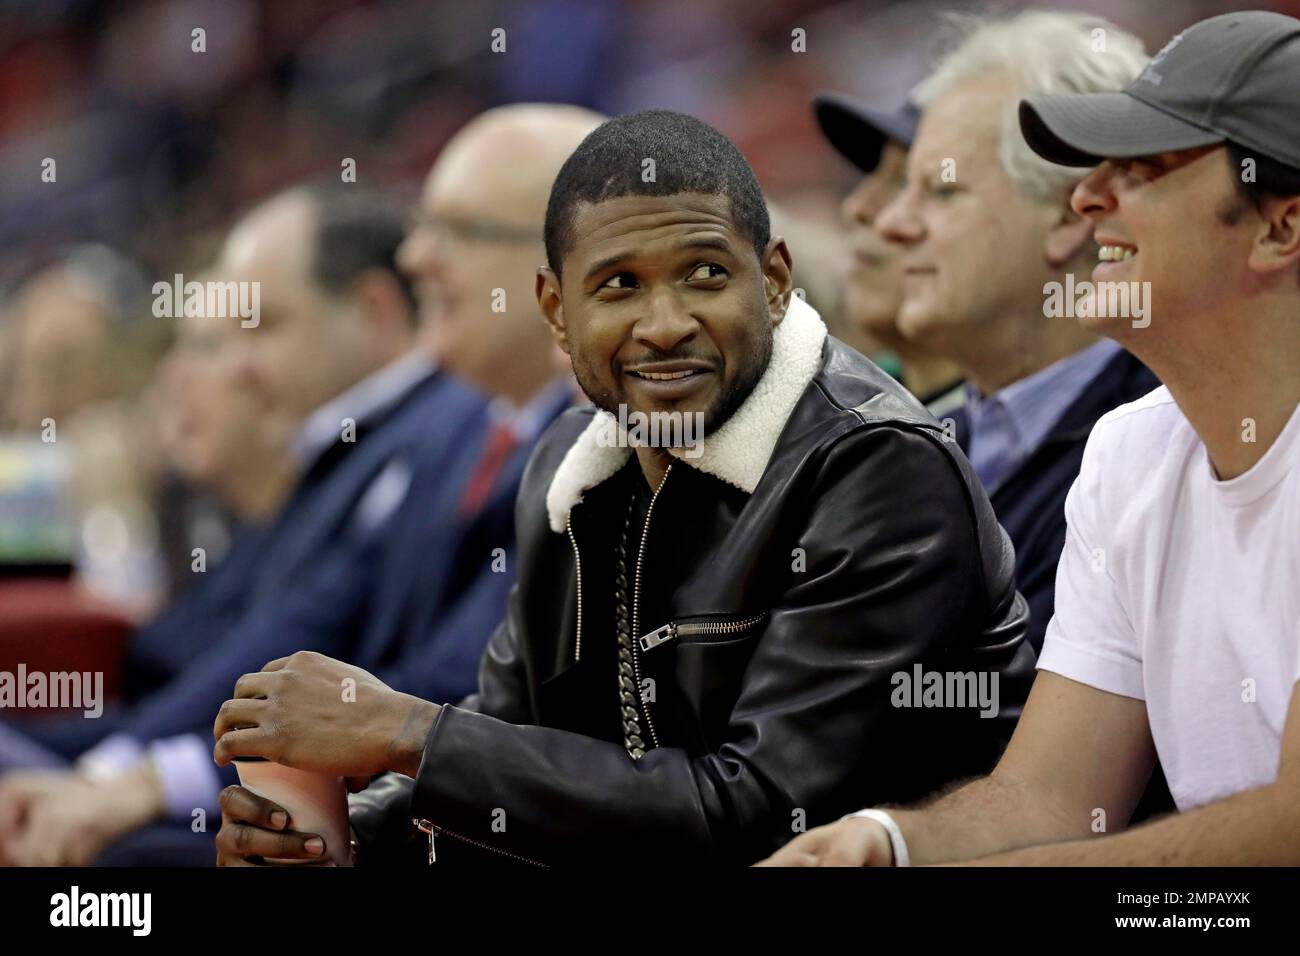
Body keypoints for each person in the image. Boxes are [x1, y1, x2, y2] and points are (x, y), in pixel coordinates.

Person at [212, 109, 1035, 868]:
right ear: (556, 311)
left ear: (775, 281)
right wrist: (344, 844)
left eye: (706, 273)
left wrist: (409, 733)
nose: (665, 322)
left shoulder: (877, 465)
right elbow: (521, 752)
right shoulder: (570, 468)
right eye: (619, 286)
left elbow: (762, 815)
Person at [759, 10, 1300, 867]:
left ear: (1281, 226)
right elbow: (1048, 796)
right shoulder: (1129, 453)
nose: (1088, 200)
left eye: (1146, 168)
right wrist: (886, 845)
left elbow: (1290, 826)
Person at [0, 184, 487, 866]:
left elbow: (356, 666)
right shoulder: (372, 454)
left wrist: (120, 780)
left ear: (375, 312)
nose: (239, 368)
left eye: (258, 328)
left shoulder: (437, 438)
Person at [872, 10, 1155, 655]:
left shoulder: (1171, 443)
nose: (891, 223)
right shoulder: (916, 445)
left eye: (940, 193)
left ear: (1068, 212)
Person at [813, 94, 963, 415]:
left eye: (908, 180)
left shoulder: (1088, 434)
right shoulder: (836, 409)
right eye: (876, 173)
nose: (856, 207)